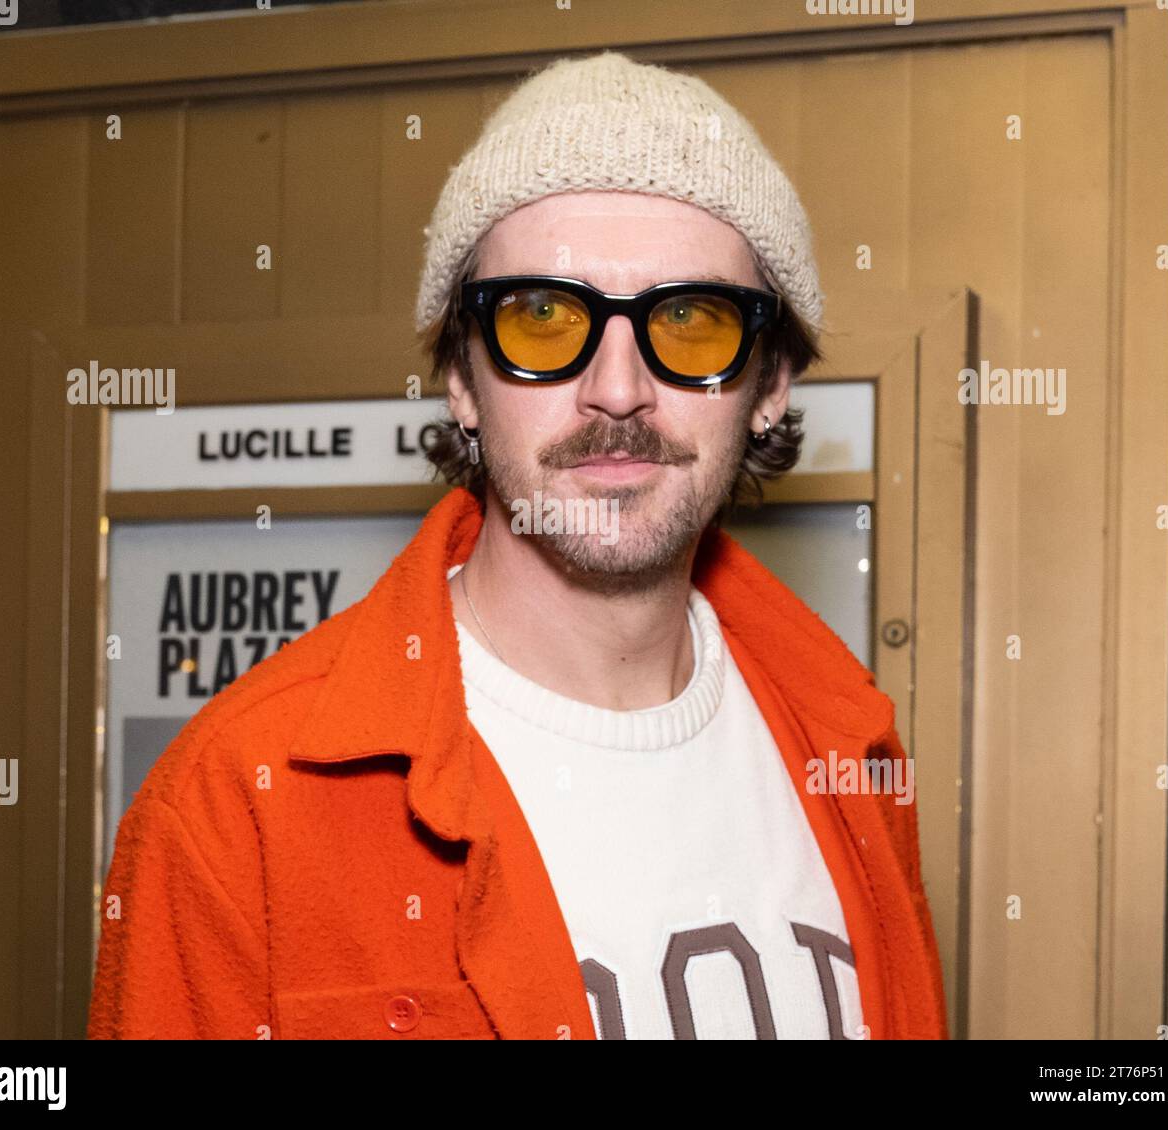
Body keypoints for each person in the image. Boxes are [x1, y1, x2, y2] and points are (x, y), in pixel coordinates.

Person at [87, 49, 948, 1040]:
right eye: (543, 318)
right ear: (459, 374)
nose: (618, 389)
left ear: (771, 384)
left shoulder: (855, 752)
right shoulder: (233, 808)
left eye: (691, 321)